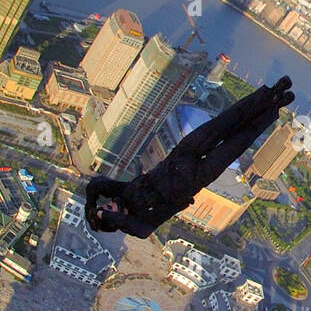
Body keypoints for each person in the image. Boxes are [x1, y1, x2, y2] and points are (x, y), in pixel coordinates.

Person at [84, 75, 294, 238]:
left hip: (182, 155)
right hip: (197, 177)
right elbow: (141, 231)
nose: (106, 206)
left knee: (226, 121)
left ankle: (271, 93)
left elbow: (96, 185)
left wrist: (91, 208)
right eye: (106, 210)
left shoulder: (125, 193)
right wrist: (106, 217)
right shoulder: (143, 220)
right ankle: (275, 106)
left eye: (104, 207)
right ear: (115, 219)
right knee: (238, 141)